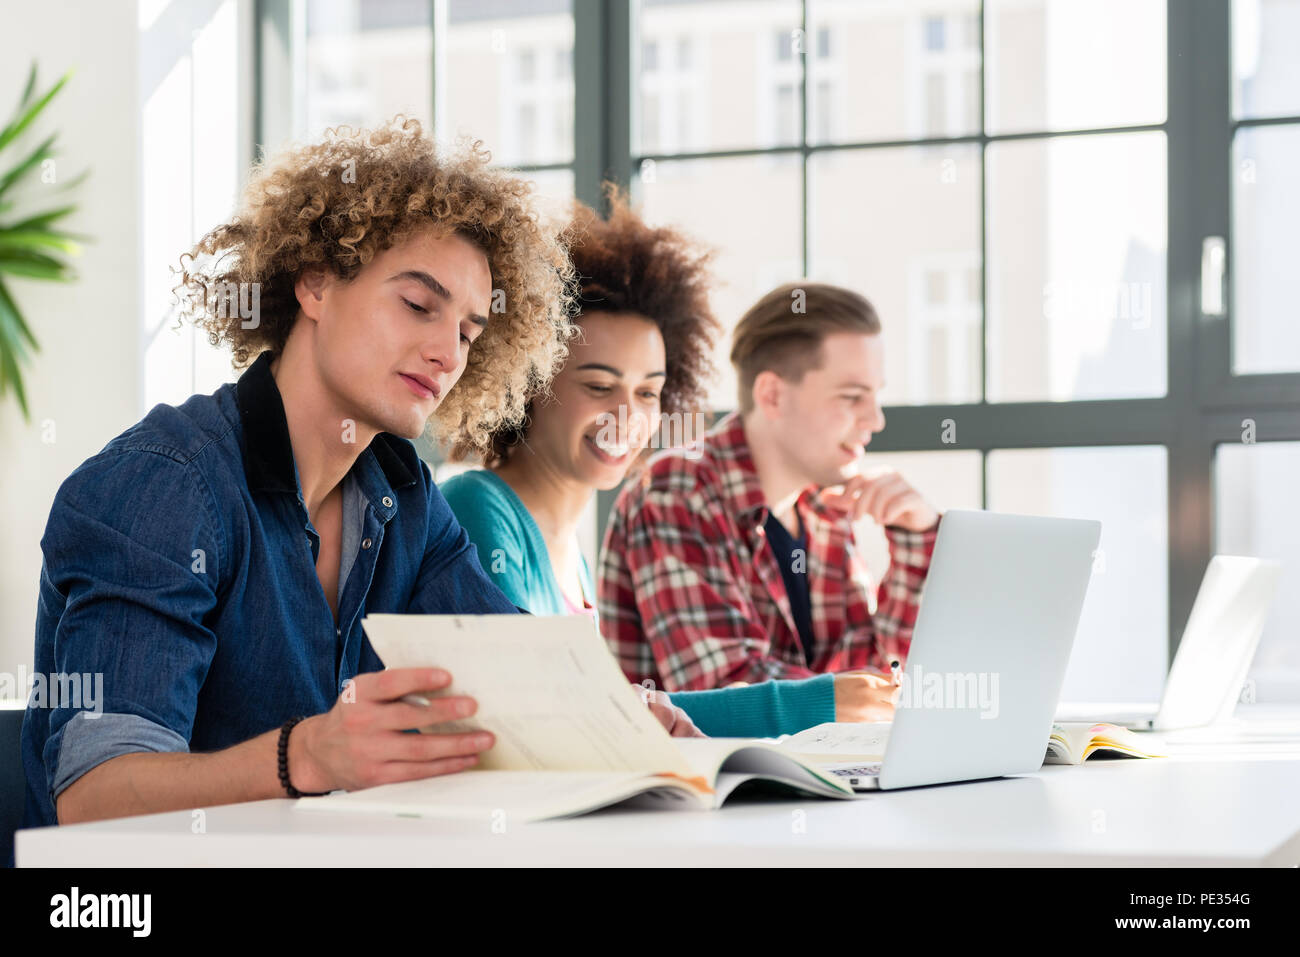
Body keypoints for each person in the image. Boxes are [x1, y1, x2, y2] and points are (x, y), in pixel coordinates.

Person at [19, 119, 682, 832]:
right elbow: (94, 797)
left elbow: (513, 681)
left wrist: (614, 715)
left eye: (467, 332)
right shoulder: (166, 485)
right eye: (418, 305)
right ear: (315, 283)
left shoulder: (406, 498)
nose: (445, 353)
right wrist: (304, 756)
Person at [441, 195, 896, 737]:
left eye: (649, 392)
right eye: (599, 387)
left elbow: (608, 713)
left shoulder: (570, 557)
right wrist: (822, 702)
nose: (628, 418)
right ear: (531, 383)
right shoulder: (478, 508)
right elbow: (547, 719)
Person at [599, 281, 943, 699]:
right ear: (773, 395)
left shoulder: (822, 506)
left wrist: (917, 540)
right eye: (853, 397)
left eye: (874, 396)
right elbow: (732, 691)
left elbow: (877, 673)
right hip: (711, 765)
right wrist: (873, 693)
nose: (875, 419)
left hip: (811, 764)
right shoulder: (677, 492)